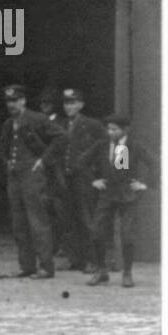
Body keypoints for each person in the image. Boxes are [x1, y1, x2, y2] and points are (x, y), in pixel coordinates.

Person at [0, 84, 66, 279]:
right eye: (9, 101)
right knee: (19, 223)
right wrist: (7, 163)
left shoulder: (37, 119)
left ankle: (46, 266)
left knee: (38, 221)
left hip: (32, 175)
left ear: (23, 101)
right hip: (15, 176)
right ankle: (27, 265)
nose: (11, 105)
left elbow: (61, 137)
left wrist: (43, 161)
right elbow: (2, 147)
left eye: (15, 100)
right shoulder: (8, 124)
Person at [84, 114, 156, 287]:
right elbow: (82, 162)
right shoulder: (102, 145)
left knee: (127, 235)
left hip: (127, 196)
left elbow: (155, 163)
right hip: (107, 195)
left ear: (125, 130)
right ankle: (101, 271)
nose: (110, 132)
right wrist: (93, 180)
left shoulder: (133, 146)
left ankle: (127, 273)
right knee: (97, 232)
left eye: (114, 129)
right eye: (108, 129)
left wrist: (145, 183)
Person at [60, 88, 106, 271]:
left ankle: (93, 260)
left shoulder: (92, 124)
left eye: (73, 103)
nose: (69, 107)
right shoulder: (61, 124)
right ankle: (76, 258)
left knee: (87, 219)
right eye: (66, 103)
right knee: (70, 219)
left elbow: (106, 145)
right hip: (66, 177)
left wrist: (100, 171)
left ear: (81, 104)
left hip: (85, 178)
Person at [37, 87, 69, 256]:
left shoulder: (62, 123)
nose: (45, 106)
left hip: (57, 171)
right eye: (42, 103)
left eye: (48, 103)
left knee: (60, 210)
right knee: (44, 210)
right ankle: (49, 245)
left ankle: (64, 245)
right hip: (41, 171)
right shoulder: (36, 121)